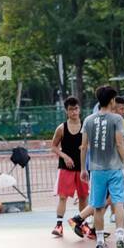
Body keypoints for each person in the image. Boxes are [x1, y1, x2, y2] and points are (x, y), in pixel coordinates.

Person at [78, 85, 124, 248]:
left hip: (96, 169)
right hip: (115, 168)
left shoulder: (88, 120)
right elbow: (119, 144)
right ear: (111, 100)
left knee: (98, 206)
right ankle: (120, 236)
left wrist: (82, 169)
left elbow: (84, 147)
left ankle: (100, 241)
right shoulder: (116, 119)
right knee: (118, 202)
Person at [50, 97, 88, 239]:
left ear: (80, 109)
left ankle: (82, 222)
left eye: (76, 108)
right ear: (67, 111)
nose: (74, 112)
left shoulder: (86, 127)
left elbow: (91, 144)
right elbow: (53, 147)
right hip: (66, 168)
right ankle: (59, 225)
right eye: (71, 109)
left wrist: (86, 147)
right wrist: (65, 156)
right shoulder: (61, 128)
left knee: (84, 197)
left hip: (82, 167)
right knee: (63, 197)